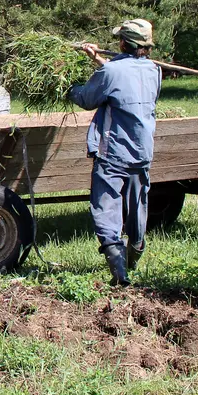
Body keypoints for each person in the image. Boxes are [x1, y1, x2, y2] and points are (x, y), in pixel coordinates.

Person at [68, 19, 161, 286]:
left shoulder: (112, 73)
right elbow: (123, 83)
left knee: (106, 206)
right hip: (142, 151)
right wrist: (97, 59)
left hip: (114, 152)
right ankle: (135, 253)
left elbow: (87, 98)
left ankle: (120, 273)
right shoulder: (154, 71)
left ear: (124, 43)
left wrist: (69, 86)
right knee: (137, 205)